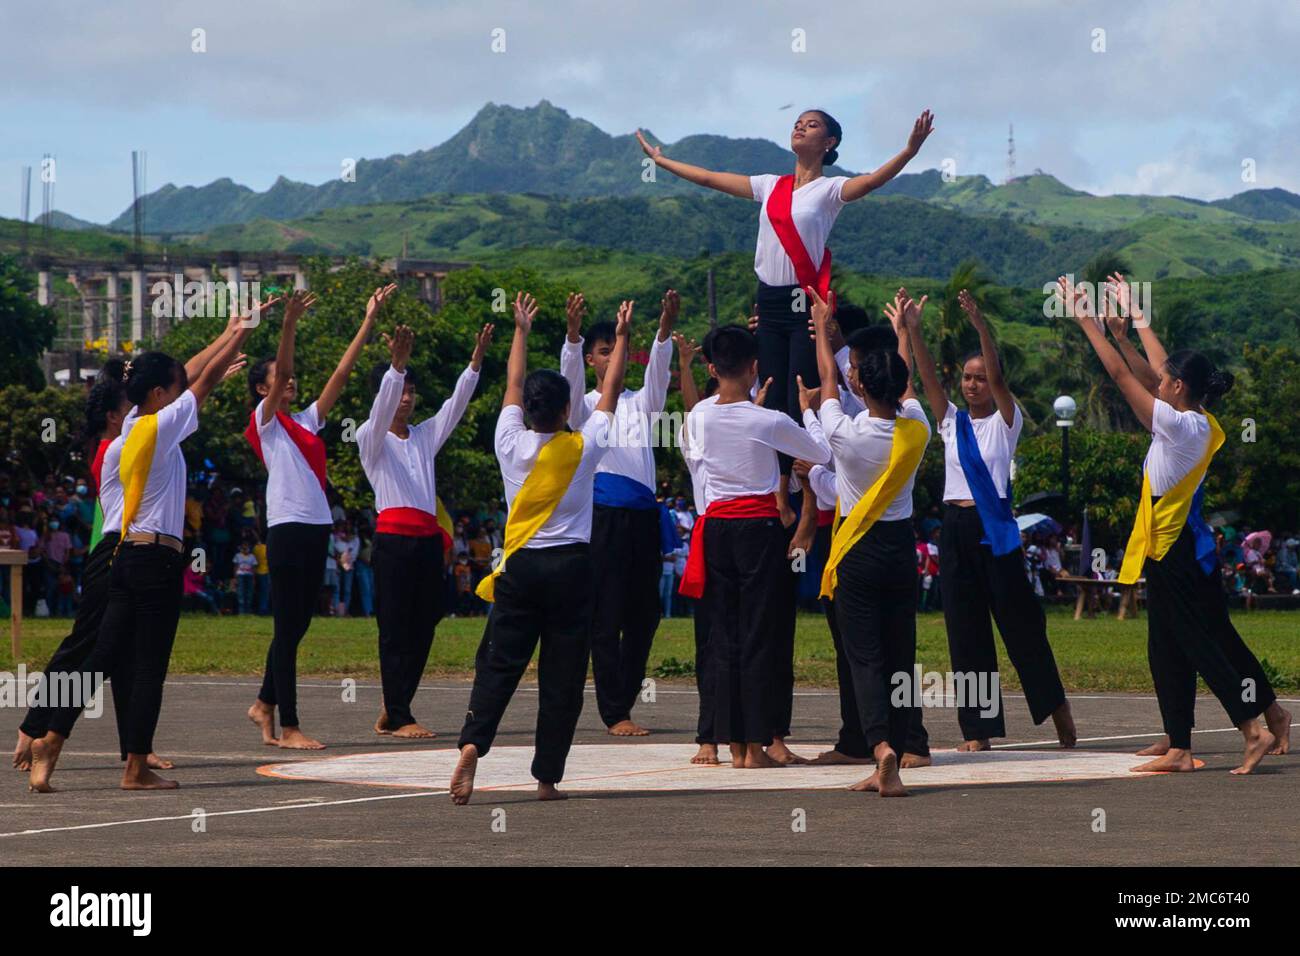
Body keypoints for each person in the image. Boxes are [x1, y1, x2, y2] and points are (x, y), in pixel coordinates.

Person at [637, 108, 933, 523]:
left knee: (802, 390)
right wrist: (662, 161)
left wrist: (909, 150)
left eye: (812, 125)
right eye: (798, 121)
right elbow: (708, 178)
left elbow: (873, 181)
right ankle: (777, 488)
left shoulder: (830, 190)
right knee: (771, 390)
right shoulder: (769, 185)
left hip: (804, 300)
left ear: (829, 142)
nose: (800, 126)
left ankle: (809, 497)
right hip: (769, 299)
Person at [1062, 274, 1289, 771]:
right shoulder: (1196, 418)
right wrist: (1133, 325)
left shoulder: (1179, 424)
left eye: (1164, 381)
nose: (1156, 383)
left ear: (1178, 388)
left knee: (1196, 641)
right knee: (1165, 643)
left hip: (1176, 550)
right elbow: (1152, 373)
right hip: (1168, 547)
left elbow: (1126, 379)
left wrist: (1086, 321)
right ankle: (1180, 744)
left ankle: (1251, 727)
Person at [30, 298, 259, 792]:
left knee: (99, 658)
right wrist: (237, 333)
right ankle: (135, 768)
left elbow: (190, 379)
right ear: (157, 395)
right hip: (154, 559)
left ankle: (52, 736)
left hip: (122, 558)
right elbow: (203, 382)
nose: (181, 396)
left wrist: (228, 336)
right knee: (147, 667)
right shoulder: (158, 429)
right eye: (171, 391)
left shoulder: (129, 435)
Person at [450, 293, 630, 804]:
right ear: (569, 408)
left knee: (500, 664)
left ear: (526, 410)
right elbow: (613, 386)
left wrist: (522, 331)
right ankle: (547, 777)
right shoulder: (583, 446)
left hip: (521, 567)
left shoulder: (509, 441)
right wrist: (620, 336)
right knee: (563, 676)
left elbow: (510, 382)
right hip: (572, 567)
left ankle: (472, 744)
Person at [906, 286, 1076, 750]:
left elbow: (1000, 381)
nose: (972, 384)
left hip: (995, 529)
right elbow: (926, 380)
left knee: (1020, 626)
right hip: (955, 529)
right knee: (965, 632)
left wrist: (982, 329)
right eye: (967, 377)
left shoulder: (1006, 421)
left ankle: (1057, 707)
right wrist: (913, 332)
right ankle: (978, 730)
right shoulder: (951, 422)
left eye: (979, 377)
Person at [678, 324, 830, 769]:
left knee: (722, 636)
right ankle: (757, 744)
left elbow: (697, 464)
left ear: (711, 367)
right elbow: (819, 453)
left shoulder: (697, 417)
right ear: (753, 367)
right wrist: (810, 411)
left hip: (716, 531)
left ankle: (732, 743)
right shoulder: (768, 420)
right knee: (760, 634)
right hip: (759, 529)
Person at [13, 361, 170, 775]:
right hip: (112, 556)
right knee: (87, 650)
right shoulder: (112, 448)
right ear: (114, 415)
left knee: (118, 656)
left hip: (117, 556)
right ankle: (35, 729)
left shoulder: (127, 441)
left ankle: (136, 749)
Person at [243, 286, 381, 749]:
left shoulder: (305, 420)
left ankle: (264, 702)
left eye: (293, 380)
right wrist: (289, 323)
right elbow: (283, 367)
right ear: (263, 389)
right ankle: (289, 725)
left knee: (298, 624)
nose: (290, 382)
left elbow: (342, 372)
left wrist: (368, 321)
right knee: (287, 625)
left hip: (315, 526)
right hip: (286, 528)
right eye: (280, 380)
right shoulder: (266, 421)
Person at [359, 314, 492, 739]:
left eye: (412, 392)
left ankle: (396, 703)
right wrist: (395, 369)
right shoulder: (370, 436)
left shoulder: (423, 437)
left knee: (426, 622)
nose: (406, 399)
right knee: (395, 627)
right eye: (400, 391)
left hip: (427, 543)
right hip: (394, 541)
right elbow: (381, 409)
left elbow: (454, 406)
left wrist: (475, 362)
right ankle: (398, 713)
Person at [560, 289, 678, 736]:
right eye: (604, 351)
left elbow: (660, 376)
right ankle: (615, 711)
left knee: (644, 615)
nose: (612, 358)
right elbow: (569, 383)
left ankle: (623, 700)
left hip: (644, 518)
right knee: (606, 615)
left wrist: (662, 330)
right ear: (591, 360)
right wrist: (572, 336)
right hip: (603, 515)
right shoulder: (585, 408)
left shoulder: (641, 403)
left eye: (618, 350)